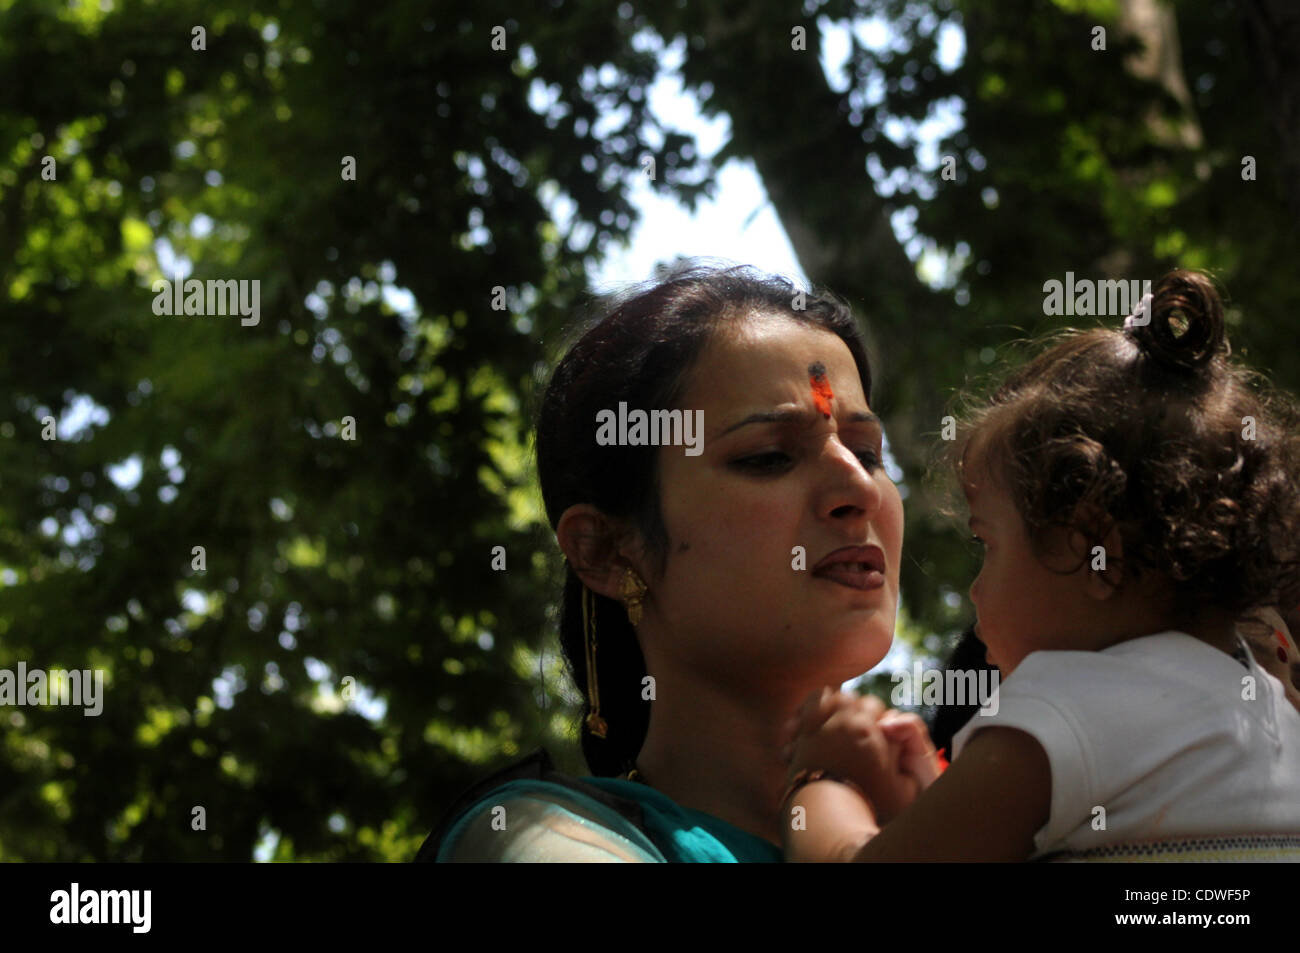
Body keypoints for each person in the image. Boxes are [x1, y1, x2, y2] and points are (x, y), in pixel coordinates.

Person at [781, 270, 1300, 862]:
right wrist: (928, 794)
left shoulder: (1062, 704)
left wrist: (824, 790)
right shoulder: (1269, 710)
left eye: (989, 546)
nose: (975, 593)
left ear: (1095, 554)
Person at [421, 263, 929, 862]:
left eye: (868, 453)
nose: (861, 489)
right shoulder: (534, 837)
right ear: (606, 550)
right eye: (768, 457)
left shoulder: (996, 803)